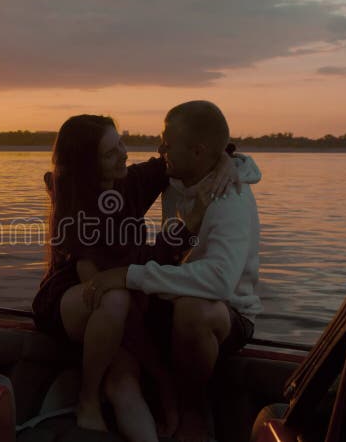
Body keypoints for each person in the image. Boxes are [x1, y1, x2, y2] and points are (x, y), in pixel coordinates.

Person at [32, 114, 260, 440]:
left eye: (121, 143)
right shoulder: (74, 204)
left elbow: (191, 154)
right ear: (88, 165)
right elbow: (116, 299)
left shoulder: (132, 181)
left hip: (123, 300)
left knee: (124, 382)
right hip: (81, 302)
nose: (124, 154)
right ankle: (88, 400)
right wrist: (165, 385)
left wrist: (225, 162)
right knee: (117, 301)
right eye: (111, 153)